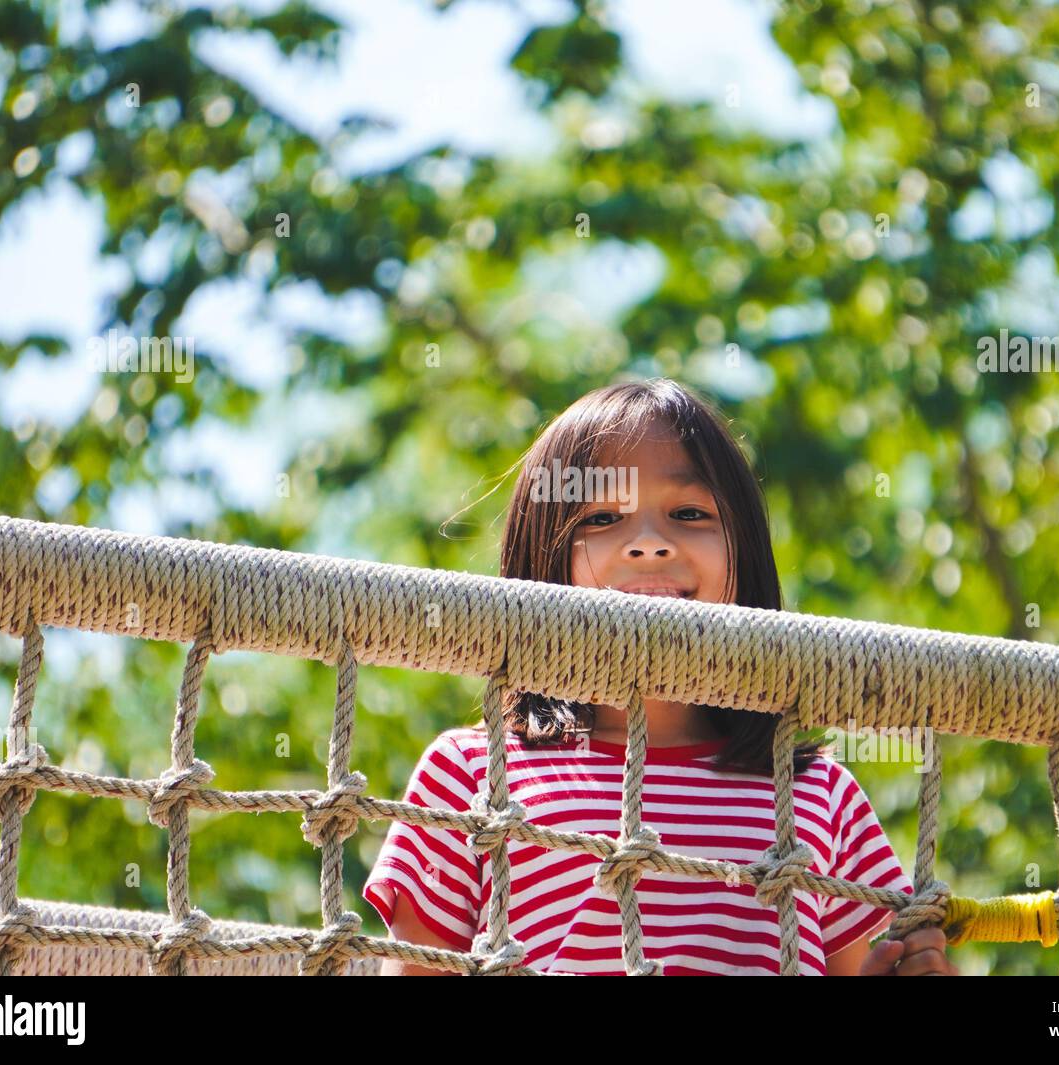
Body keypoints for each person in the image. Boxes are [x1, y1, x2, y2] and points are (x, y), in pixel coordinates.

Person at [363, 377, 957, 976]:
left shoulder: (815, 796)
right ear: (544, 559)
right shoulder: (474, 777)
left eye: (689, 512)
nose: (649, 543)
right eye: (601, 516)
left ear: (744, 554)